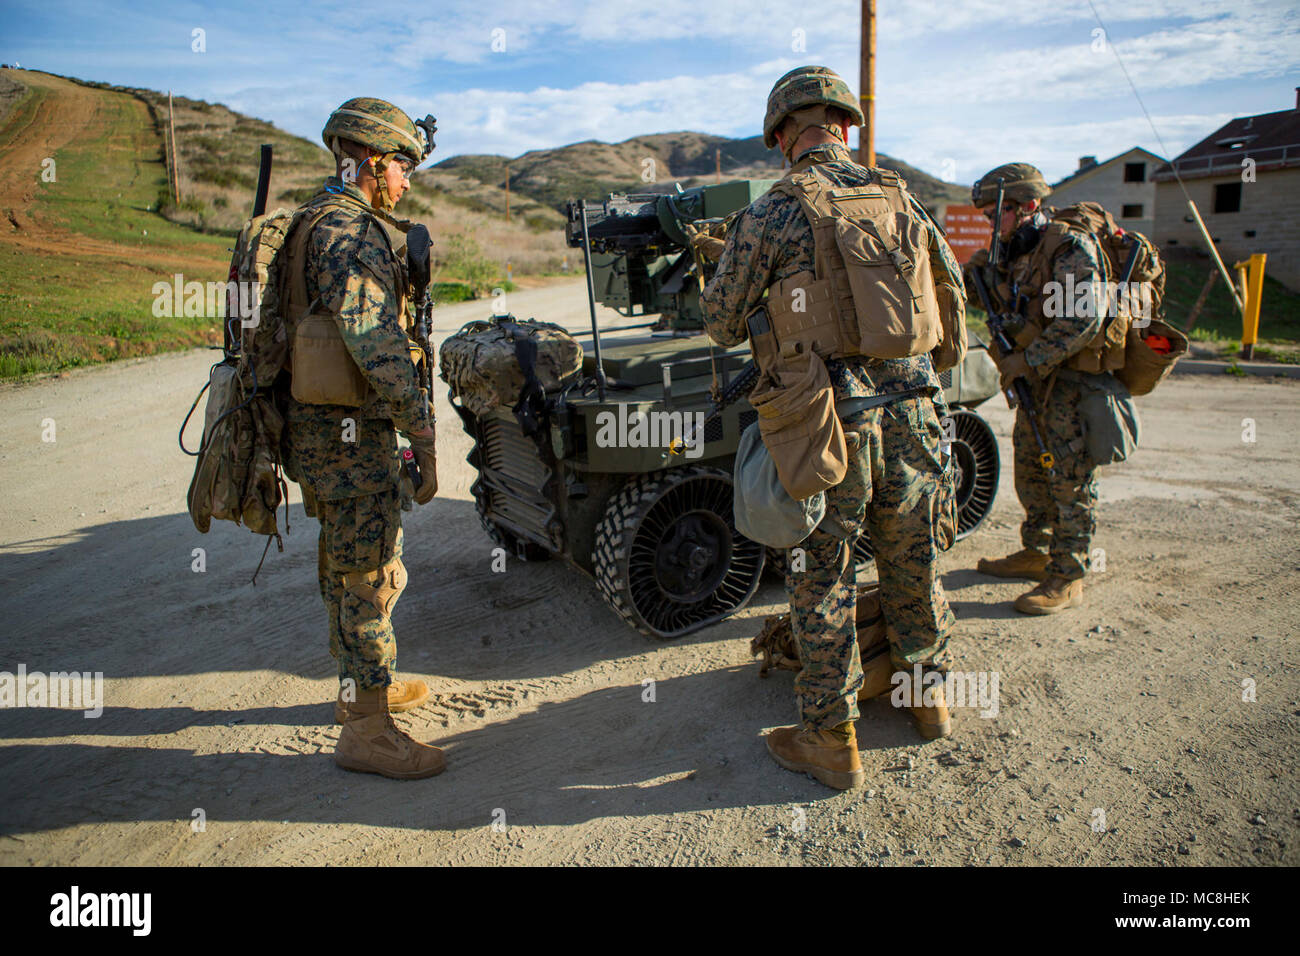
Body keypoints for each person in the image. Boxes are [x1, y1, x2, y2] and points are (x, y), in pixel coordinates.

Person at [697, 66, 965, 790]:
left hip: (829, 422)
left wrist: (720, 266)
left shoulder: (773, 210)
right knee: (914, 558)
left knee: (825, 576)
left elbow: (720, 324)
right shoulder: (901, 195)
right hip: (914, 410)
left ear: (783, 136)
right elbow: (952, 298)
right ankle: (927, 698)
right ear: (845, 128)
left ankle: (830, 736)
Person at [279, 97, 444, 779]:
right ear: (374, 162)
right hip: (350, 443)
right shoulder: (350, 232)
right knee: (371, 576)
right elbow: (375, 345)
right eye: (403, 166)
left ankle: (360, 694)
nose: (407, 181)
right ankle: (369, 731)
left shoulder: (313, 218)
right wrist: (424, 431)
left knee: (344, 570)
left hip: (323, 436)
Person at [967, 163, 1108, 614]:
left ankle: (1069, 574)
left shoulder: (1070, 247)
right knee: (1031, 470)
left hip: (1067, 383)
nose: (992, 224)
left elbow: (1083, 318)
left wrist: (1027, 360)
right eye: (988, 215)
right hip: (1034, 385)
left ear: (1029, 206)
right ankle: (1037, 551)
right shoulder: (1011, 253)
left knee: (1069, 478)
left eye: (997, 214)